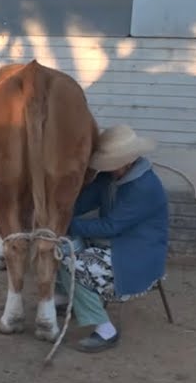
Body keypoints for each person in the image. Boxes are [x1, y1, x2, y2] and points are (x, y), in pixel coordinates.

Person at [56, 124, 169, 354]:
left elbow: (110, 226)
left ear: (128, 160)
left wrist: (64, 223)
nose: (107, 168)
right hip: (115, 245)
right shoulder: (110, 177)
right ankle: (70, 296)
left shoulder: (144, 187)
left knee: (70, 262)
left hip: (136, 256)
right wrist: (58, 209)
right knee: (58, 246)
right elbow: (84, 203)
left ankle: (106, 330)